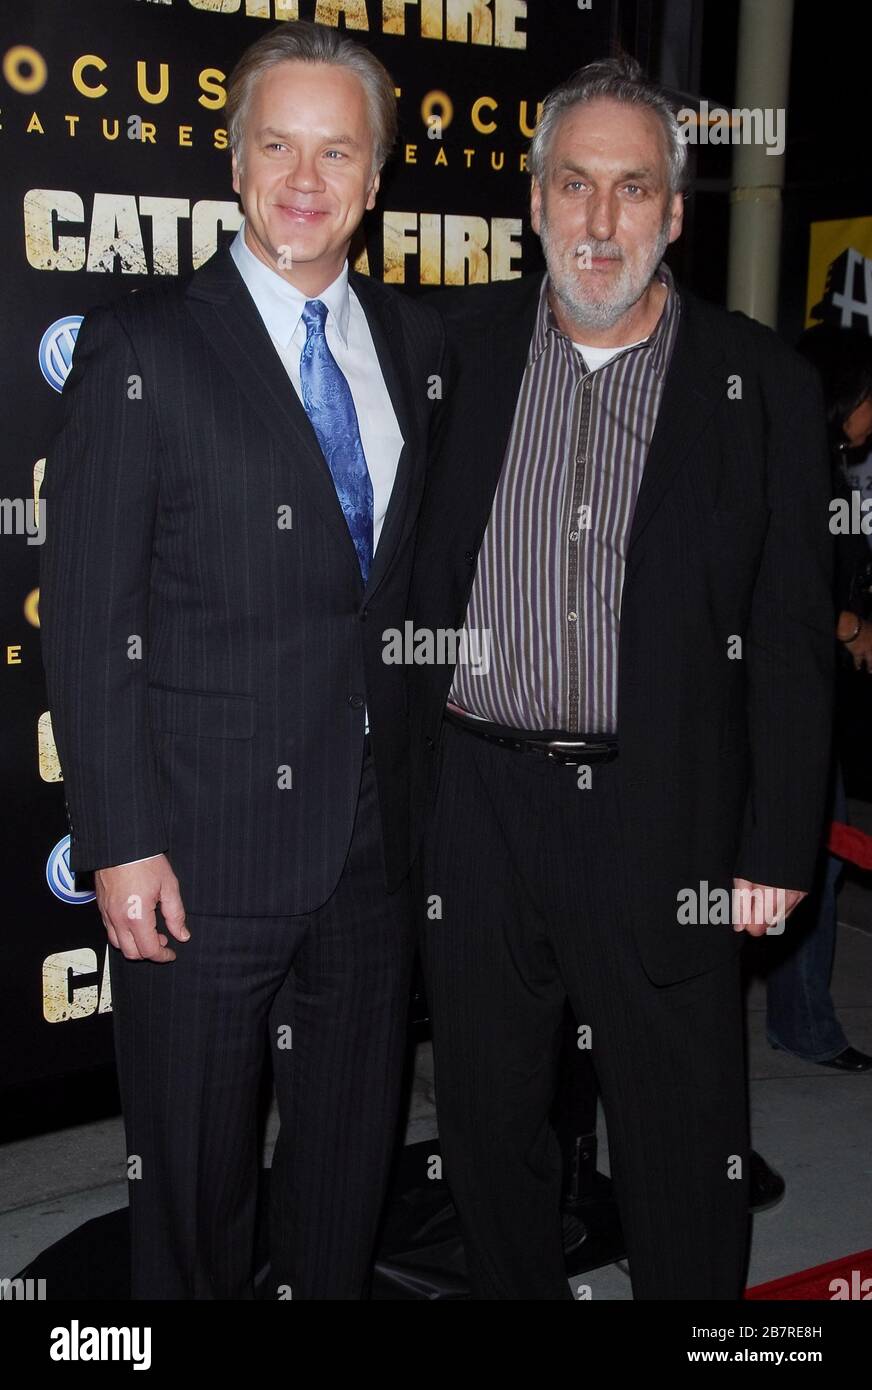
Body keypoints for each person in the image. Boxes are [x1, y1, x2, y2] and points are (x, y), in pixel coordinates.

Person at [407, 55, 834, 1299]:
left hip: (666, 815)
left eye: (632, 188)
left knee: (681, 1138)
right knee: (488, 1128)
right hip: (476, 810)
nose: (600, 223)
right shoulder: (455, 354)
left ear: (674, 213)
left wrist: (773, 849)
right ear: (533, 201)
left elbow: (793, 639)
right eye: (574, 186)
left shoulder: (763, 388)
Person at [39, 20, 445, 1300]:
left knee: (341, 1162)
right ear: (234, 160)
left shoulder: (417, 344)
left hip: (375, 848)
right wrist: (119, 837)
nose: (306, 178)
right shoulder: (144, 345)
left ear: (375, 179)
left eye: (338, 151)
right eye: (278, 144)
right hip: (199, 853)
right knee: (194, 1186)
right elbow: (89, 615)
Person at [758, 326, 872, 1071]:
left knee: (809, 861)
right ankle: (804, 1025)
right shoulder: (809, 470)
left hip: (788, 692)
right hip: (788, 697)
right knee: (815, 861)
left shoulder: (804, 458)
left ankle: (799, 1020)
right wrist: (852, 623)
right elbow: (790, 579)